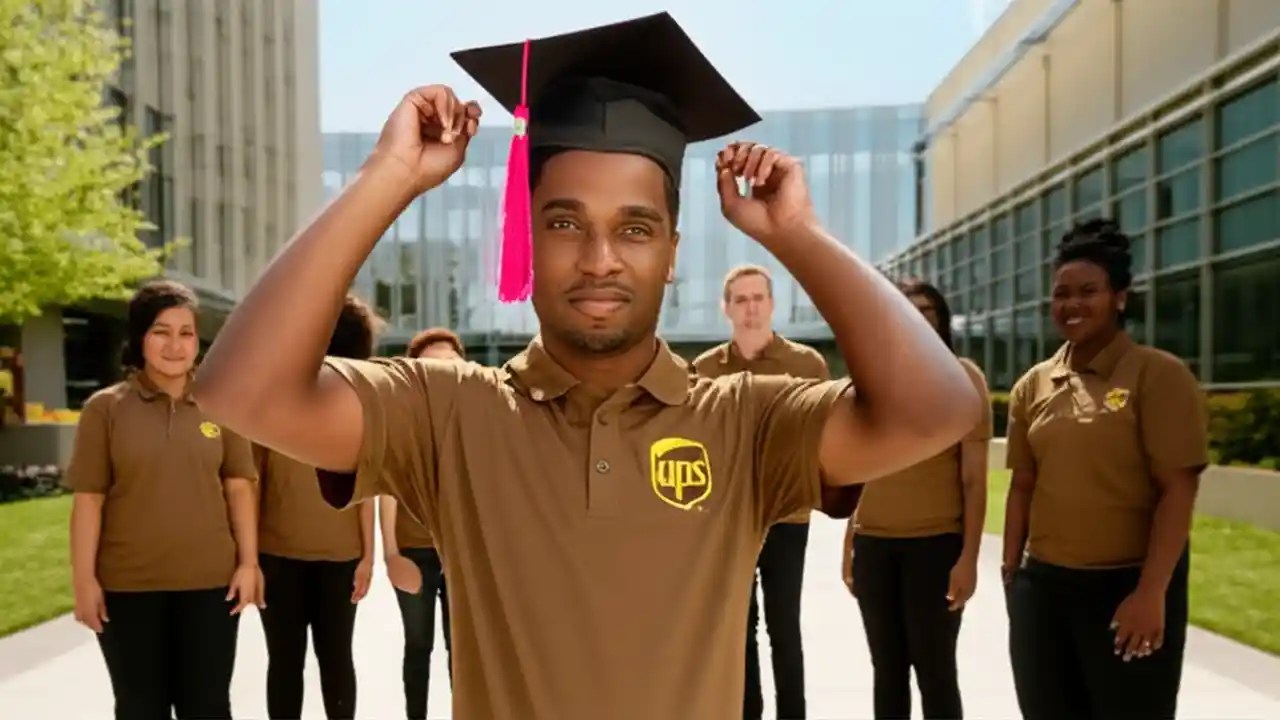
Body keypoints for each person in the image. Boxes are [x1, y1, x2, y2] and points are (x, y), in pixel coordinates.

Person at [192, 13, 980, 719]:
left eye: (636, 229)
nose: (600, 259)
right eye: (565, 221)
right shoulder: (445, 412)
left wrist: (797, 233)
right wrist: (387, 178)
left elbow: (938, 409)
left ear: (673, 253)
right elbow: (242, 389)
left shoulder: (746, 419)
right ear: (527, 238)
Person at [1003, 219, 1208, 720]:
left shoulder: (1159, 375)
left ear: (1120, 297)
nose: (1072, 304)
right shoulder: (1033, 385)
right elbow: (1023, 484)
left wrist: (1151, 593)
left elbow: (1177, 492)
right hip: (1046, 590)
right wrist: (1013, 576)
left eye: (1088, 291)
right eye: (1061, 294)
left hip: (1127, 590)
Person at [65, 279, 260, 720]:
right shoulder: (105, 409)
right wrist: (84, 580)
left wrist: (249, 563)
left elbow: (239, 487)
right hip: (128, 587)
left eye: (186, 332)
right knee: (140, 709)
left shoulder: (221, 405)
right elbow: (89, 501)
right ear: (139, 338)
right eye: (161, 331)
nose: (175, 345)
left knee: (208, 707)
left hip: (212, 587)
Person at [839, 279, 991, 719]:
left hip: (935, 547)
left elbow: (975, 482)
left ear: (942, 320)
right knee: (886, 671)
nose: (919, 317)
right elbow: (860, 470)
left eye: (928, 310)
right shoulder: (871, 379)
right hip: (875, 548)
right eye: (908, 309)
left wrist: (969, 559)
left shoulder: (964, 379)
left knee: (935, 670)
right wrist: (850, 542)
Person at [691, 263, 830, 720]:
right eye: (741, 299)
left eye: (758, 298)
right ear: (726, 308)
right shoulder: (704, 369)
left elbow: (822, 437)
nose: (750, 308)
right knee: (737, 628)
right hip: (729, 517)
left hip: (787, 514)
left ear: (772, 304)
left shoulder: (807, 365)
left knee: (784, 626)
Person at [254, 294, 379, 719]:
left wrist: (368, 557)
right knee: (284, 663)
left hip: (341, 558)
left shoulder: (361, 399)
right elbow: (255, 481)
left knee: (337, 660)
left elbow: (367, 485)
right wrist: (250, 558)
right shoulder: (273, 397)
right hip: (277, 556)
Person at [380, 326, 463, 719]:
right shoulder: (402, 424)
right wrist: (391, 554)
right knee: (418, 646)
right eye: (431, 367)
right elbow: (387, 491)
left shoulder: (476, 421)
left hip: (462, 557)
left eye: (450, 364)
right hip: (414, 552)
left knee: (461, 651)